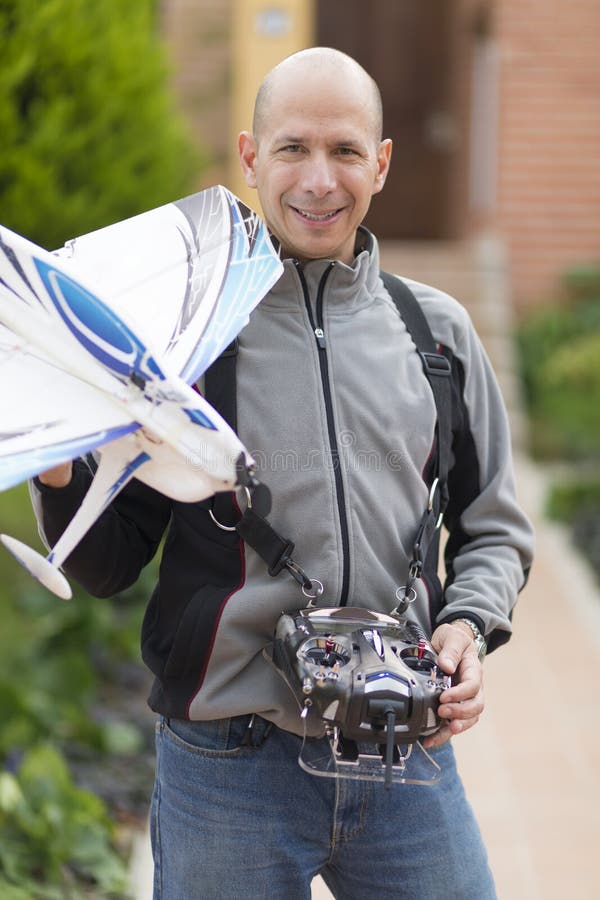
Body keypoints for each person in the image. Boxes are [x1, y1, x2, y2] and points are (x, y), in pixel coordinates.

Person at [32, 48, 534, 900]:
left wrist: (467, 625)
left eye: (345, 151)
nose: (319, 179)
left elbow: (493, 527)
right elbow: (110, 564)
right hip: (228, 765)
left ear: (381, 162)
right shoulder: (184, 345)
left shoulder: (437, 336)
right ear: (250, 156)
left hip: (403, 748)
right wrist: (51, 465)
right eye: (293, 148)